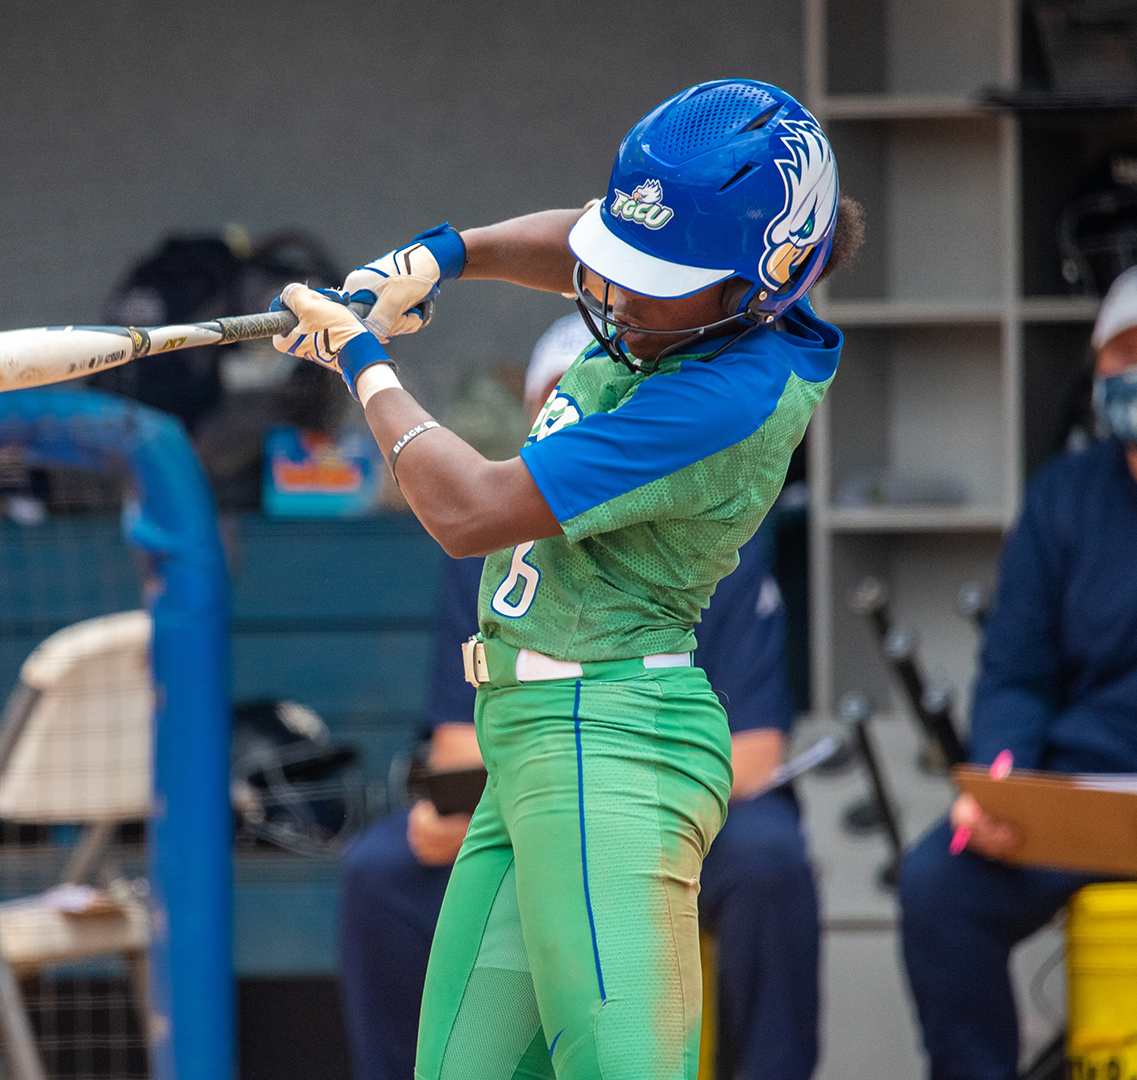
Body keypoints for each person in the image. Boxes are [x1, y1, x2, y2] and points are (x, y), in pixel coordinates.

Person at [272, 78, 856, 1080]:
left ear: (763, 281)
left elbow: (467, 512)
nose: (616, 292)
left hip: (612, 745)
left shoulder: (732, 395)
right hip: (529, 748)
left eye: (656, 275)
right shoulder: (704, 294)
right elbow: (580, 238)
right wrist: (439, 257)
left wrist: (364, 364)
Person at [338, 316, 821, 1080]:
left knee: (768, 864)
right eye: (558, 406)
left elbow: (757, 749)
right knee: (388, 879)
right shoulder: (501, 528)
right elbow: (456, 743)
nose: (572, 426)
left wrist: (363, 357)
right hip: (525, 772)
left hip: (645, 777)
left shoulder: (695, 509)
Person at [896, 262, 1137, 1080]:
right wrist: (1000, 781)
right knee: (936, 885)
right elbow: (1017, 671)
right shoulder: (1062, 495)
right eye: (1121, 351)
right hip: (1082, 791)